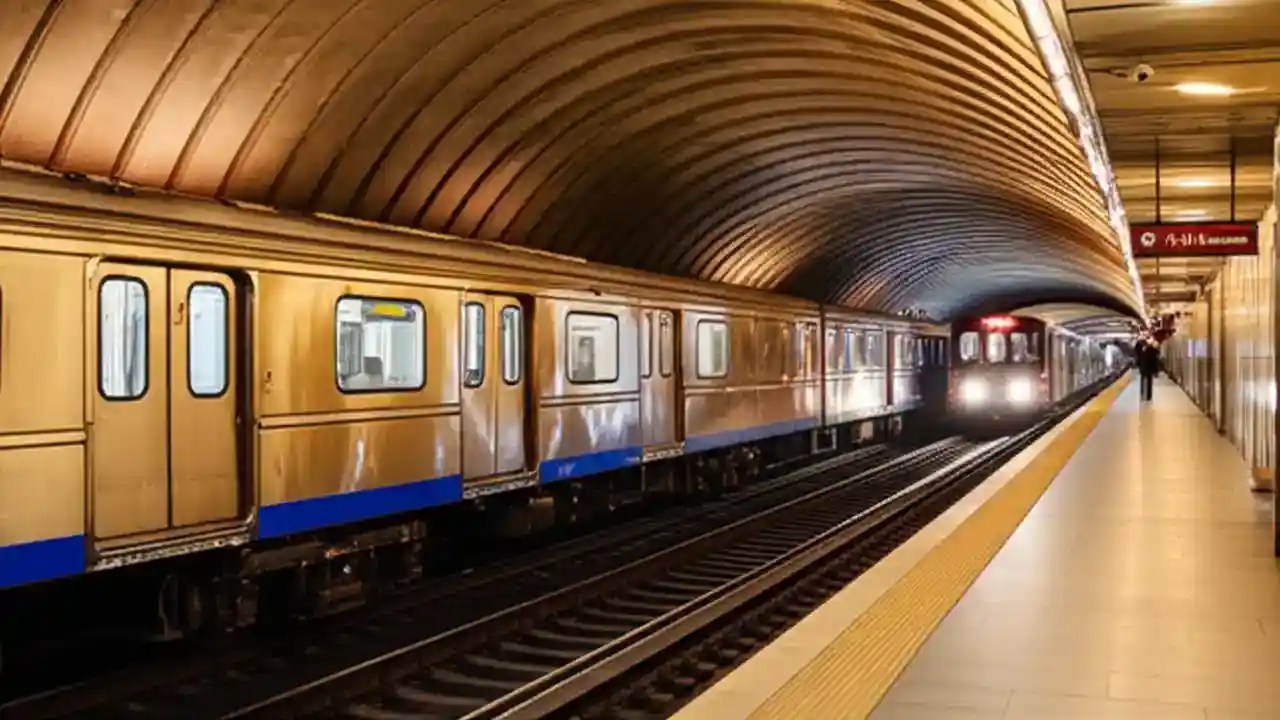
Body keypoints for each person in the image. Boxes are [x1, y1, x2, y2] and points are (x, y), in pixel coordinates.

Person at [1137, 336, 1159, 401]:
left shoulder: (1150, 349)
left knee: (1148, 381)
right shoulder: (1141, 349)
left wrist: (1155, 370)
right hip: (1145, 368)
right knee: (1145, 381)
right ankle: (1143, 393)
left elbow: (1154, 360)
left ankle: (1148, 396)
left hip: (1148, 368)